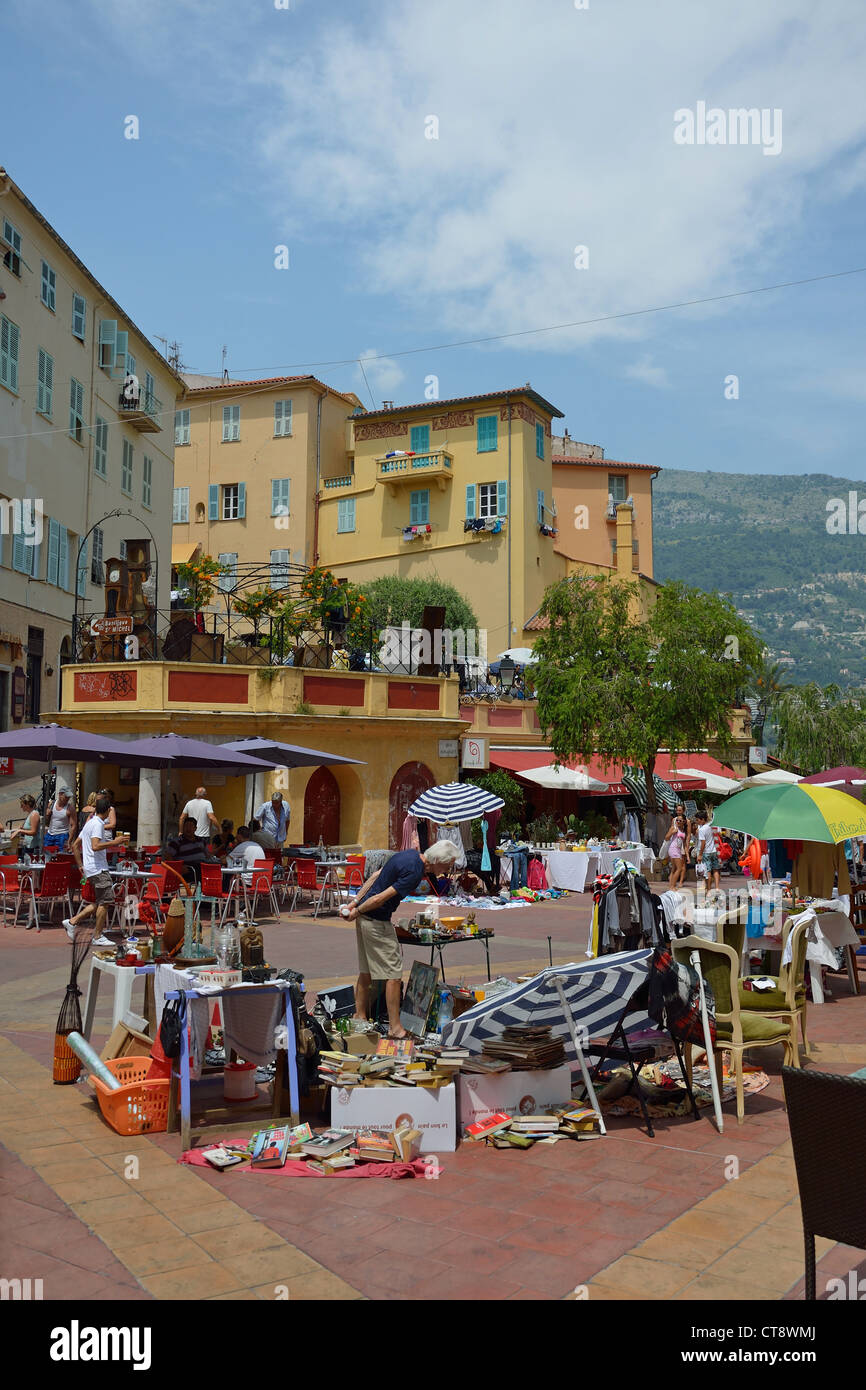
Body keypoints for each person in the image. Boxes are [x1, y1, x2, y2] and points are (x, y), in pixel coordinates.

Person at [347, 840, 460, 1039]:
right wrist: (356, 910)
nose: (446, 871)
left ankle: (360, 1017)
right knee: (394, 975)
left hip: (366, 917)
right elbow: (379, 898)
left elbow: (375, 876)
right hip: (375, 919)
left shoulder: (409, 854)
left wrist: (355, 902)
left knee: (366, 971)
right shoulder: (415, 871)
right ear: (437, 860)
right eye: (447, 866)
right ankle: (395, 1027)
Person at [63, 793, 124, 944]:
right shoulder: (97, 824)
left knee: (101, 901)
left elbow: (75, 845)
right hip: (98, 868)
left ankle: (72, 921)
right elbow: (96, 846)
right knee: (105, 901)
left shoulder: (90, 823)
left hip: (91, 868)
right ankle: (97, 936)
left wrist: (81, 866)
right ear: (108, 811)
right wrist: (114, 842)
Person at [164, 816, 216, 885]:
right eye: (186, 826)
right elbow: (168, 856)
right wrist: (177, 868)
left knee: (216, 867)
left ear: (195, 828)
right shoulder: (177, 842)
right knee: (200, 868)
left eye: (191, 826)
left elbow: (208, 855)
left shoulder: (201, 841)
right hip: (188, 868)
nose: (188, 828)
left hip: (202, 864)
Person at [695, 809, 721, 894]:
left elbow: (703, 843)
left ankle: (709, 889)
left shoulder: (702, 830)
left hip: (706, 852)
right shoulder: (710, 826)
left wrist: (700, 854)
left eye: (698, 820)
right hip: (713, 851)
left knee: (708, 871)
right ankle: (717, 888)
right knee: (716, 870)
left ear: (702, 819)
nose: (697, 821)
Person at [666, 814, 688, 889]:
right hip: (673, 849)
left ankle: (671, 886)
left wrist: (686, 853)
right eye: (677, 820)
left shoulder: (683, 830)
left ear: (684, 822)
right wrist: (672, 832)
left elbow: (684, 843)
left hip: (678, 850)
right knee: (679, 868)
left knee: (674, 869)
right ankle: (672, 886)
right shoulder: (674, 828)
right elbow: (666, 838)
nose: (678, 822)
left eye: (680, 820)